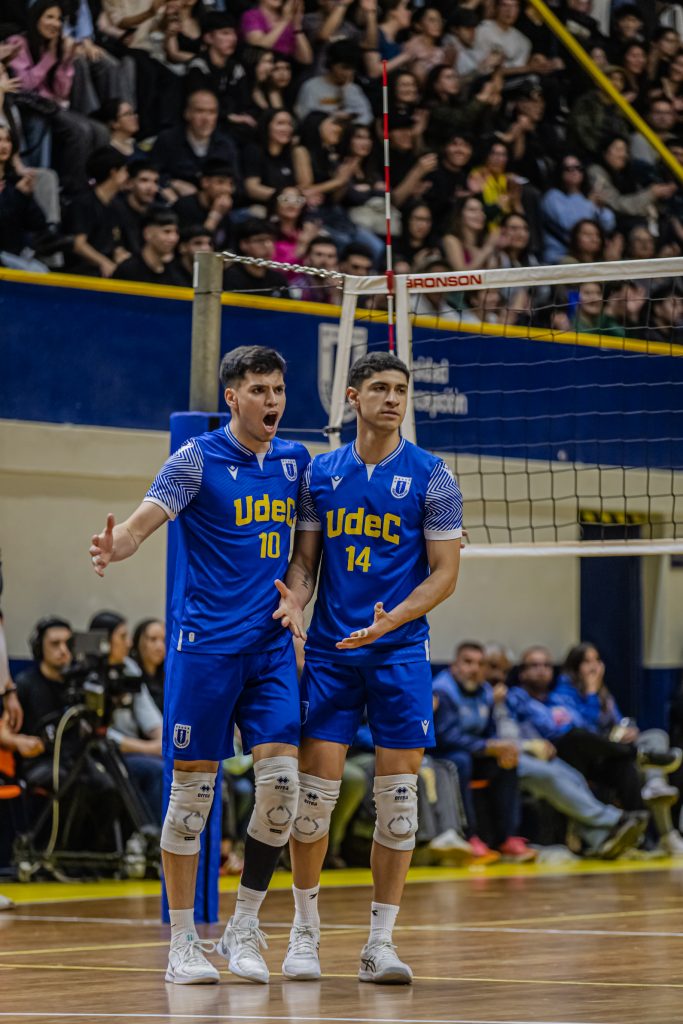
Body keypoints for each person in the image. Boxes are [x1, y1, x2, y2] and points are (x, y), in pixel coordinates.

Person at [89, 345, 310, 985]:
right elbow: (140, 524)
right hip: (205, 649)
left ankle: (244, 926)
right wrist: (116, 544)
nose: (273, 402)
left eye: (278, 390)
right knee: (191, 801)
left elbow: (304, 554)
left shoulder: (296, 462)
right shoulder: (195, 459)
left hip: (269, 649)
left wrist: (297, 594)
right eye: (260, 390)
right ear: (232, 398)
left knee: (280, 792)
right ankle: (182, 941)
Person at [274, 350, 463, 984]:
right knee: (312, 802)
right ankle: (304, 933)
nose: (392, 398)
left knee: (399, 804)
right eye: (379, 387)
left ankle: (380, 943)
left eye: (401, 389)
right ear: (352, 397)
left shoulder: (434, 476)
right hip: (329, 653)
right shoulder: (319, 474)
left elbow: (445, 574)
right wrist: (296, 598)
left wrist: (392, 620)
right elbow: (304, 561)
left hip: (399, 653)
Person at [506, 646, 649, 857]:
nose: (541, 670)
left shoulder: (551, 700)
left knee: (579, 775)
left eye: (546, 665)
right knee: (567, 754)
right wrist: (591, 693)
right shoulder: (521, 697)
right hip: (527, 755)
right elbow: (567, 730)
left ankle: (602, 840)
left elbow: (590, 725)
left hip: (556, 756)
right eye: (534, 665)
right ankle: (615, 819)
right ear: (522, 672)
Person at [15, 616, 122, 851]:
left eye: (67, 644)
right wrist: (18, 741)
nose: (63, 651)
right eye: (55, 644)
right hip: (42, 760)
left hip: (77, 757)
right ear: (39, 647)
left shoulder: (79, 684)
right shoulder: (24, 684)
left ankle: (90, 857)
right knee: (71, 786)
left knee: (109, 788)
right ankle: (58, 853)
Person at [432, 641, 536, 864]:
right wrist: (487, 747)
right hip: (442, 754)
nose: (474, 668)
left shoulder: (485, 692)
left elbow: (491, 732)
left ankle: (507, 837)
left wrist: (500, 749)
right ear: (454, 665)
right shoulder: (443, 690)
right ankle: (469, 836)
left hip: (474, 752)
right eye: (468, 662)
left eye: (480, 664)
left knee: (506, 762)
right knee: (461, 761)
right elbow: (445, 736)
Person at [90, 610, 164, 823]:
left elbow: (147, 712)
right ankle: (151, 838)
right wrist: (149, 748)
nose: (129, 643)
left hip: (134, 750)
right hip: (103, 753)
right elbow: (96, 732)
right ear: (105, 640)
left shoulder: (129, 667)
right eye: (123, 637)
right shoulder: (90, 672)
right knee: (156, 769)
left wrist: (161, 741)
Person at [150, 90, 239, 199]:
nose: (206, 119)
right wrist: (171, 183)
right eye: (200, 111)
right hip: (176, 203)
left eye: (212, 112)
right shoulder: (168, 140)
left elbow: (237, 183)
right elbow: (152, 174)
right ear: (187, 113)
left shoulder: (226, 144)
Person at [66, 145, 129, 277]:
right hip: (83, 270)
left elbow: (116, 244)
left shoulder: (117, 206)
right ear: (113, 172)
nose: (127, 176)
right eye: (124, 171)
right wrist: (103, 262)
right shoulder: (83, 203)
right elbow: (79, 244)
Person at [294, 39, 373, 126]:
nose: (348, 73)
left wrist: (347, 91)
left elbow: (366, 118)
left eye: (351, 69)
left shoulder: (353, 89)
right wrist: (334, 118)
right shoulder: (311, 87)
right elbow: (306, 118)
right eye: (344, 67)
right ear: (331, 64)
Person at [113, 208, 185, 285]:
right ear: (148, 233)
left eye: (176, 232)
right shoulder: (128, 270)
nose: (173, 238)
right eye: (167, 231)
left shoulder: (174, 275)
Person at [222, 218, 290, 297]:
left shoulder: (278, 279)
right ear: (243, 244)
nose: (268, 245)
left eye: (271, 240)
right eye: (260, 240)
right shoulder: (230, 278)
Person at [110, 159, 160, 256]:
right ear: (129, 183)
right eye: (144, 180)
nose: (151, 187)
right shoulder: (114, 210)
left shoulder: (158, 213)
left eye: (155, 182)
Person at [131, 618, 165, 712]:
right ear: (139, 642)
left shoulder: (169, 677)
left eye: (164, 640)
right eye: (153, 639)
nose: (160, 647)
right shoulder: (130, 674)